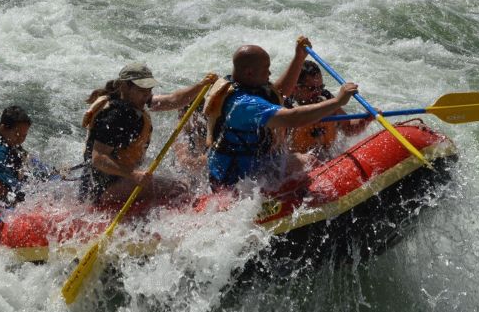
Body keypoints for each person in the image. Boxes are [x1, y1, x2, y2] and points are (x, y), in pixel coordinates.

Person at [206, 38, 359, 189]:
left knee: (303, 160)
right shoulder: (245, 104)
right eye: (266, 68)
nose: (270, 72)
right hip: (238, 178)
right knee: (310, 161)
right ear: (250, 72)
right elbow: (293, 118)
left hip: (250, 165)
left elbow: (278, 93)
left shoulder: (240, 84)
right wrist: (337, 101)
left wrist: (299, 57)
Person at [80, 63, 216, 207]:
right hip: (102, 188)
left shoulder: (135, 102)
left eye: (149, 89)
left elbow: (174, 100)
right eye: (142, 90)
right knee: (179, 188)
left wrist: (201, 85)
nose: (147, 95)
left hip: (116, 180)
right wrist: (133, 174)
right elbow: (98, 158)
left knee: (179, 184)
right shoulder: (114, 116)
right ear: (125, 86)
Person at [286, 60, 372, 158]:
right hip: (298, 161)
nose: (318, 92)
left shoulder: (326, 98)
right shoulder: (287, 109)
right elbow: (278, 154)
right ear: (296, 88)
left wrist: (366, 119)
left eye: (320, 87)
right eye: (312, 89)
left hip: (327, 157)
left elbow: (348, 128)